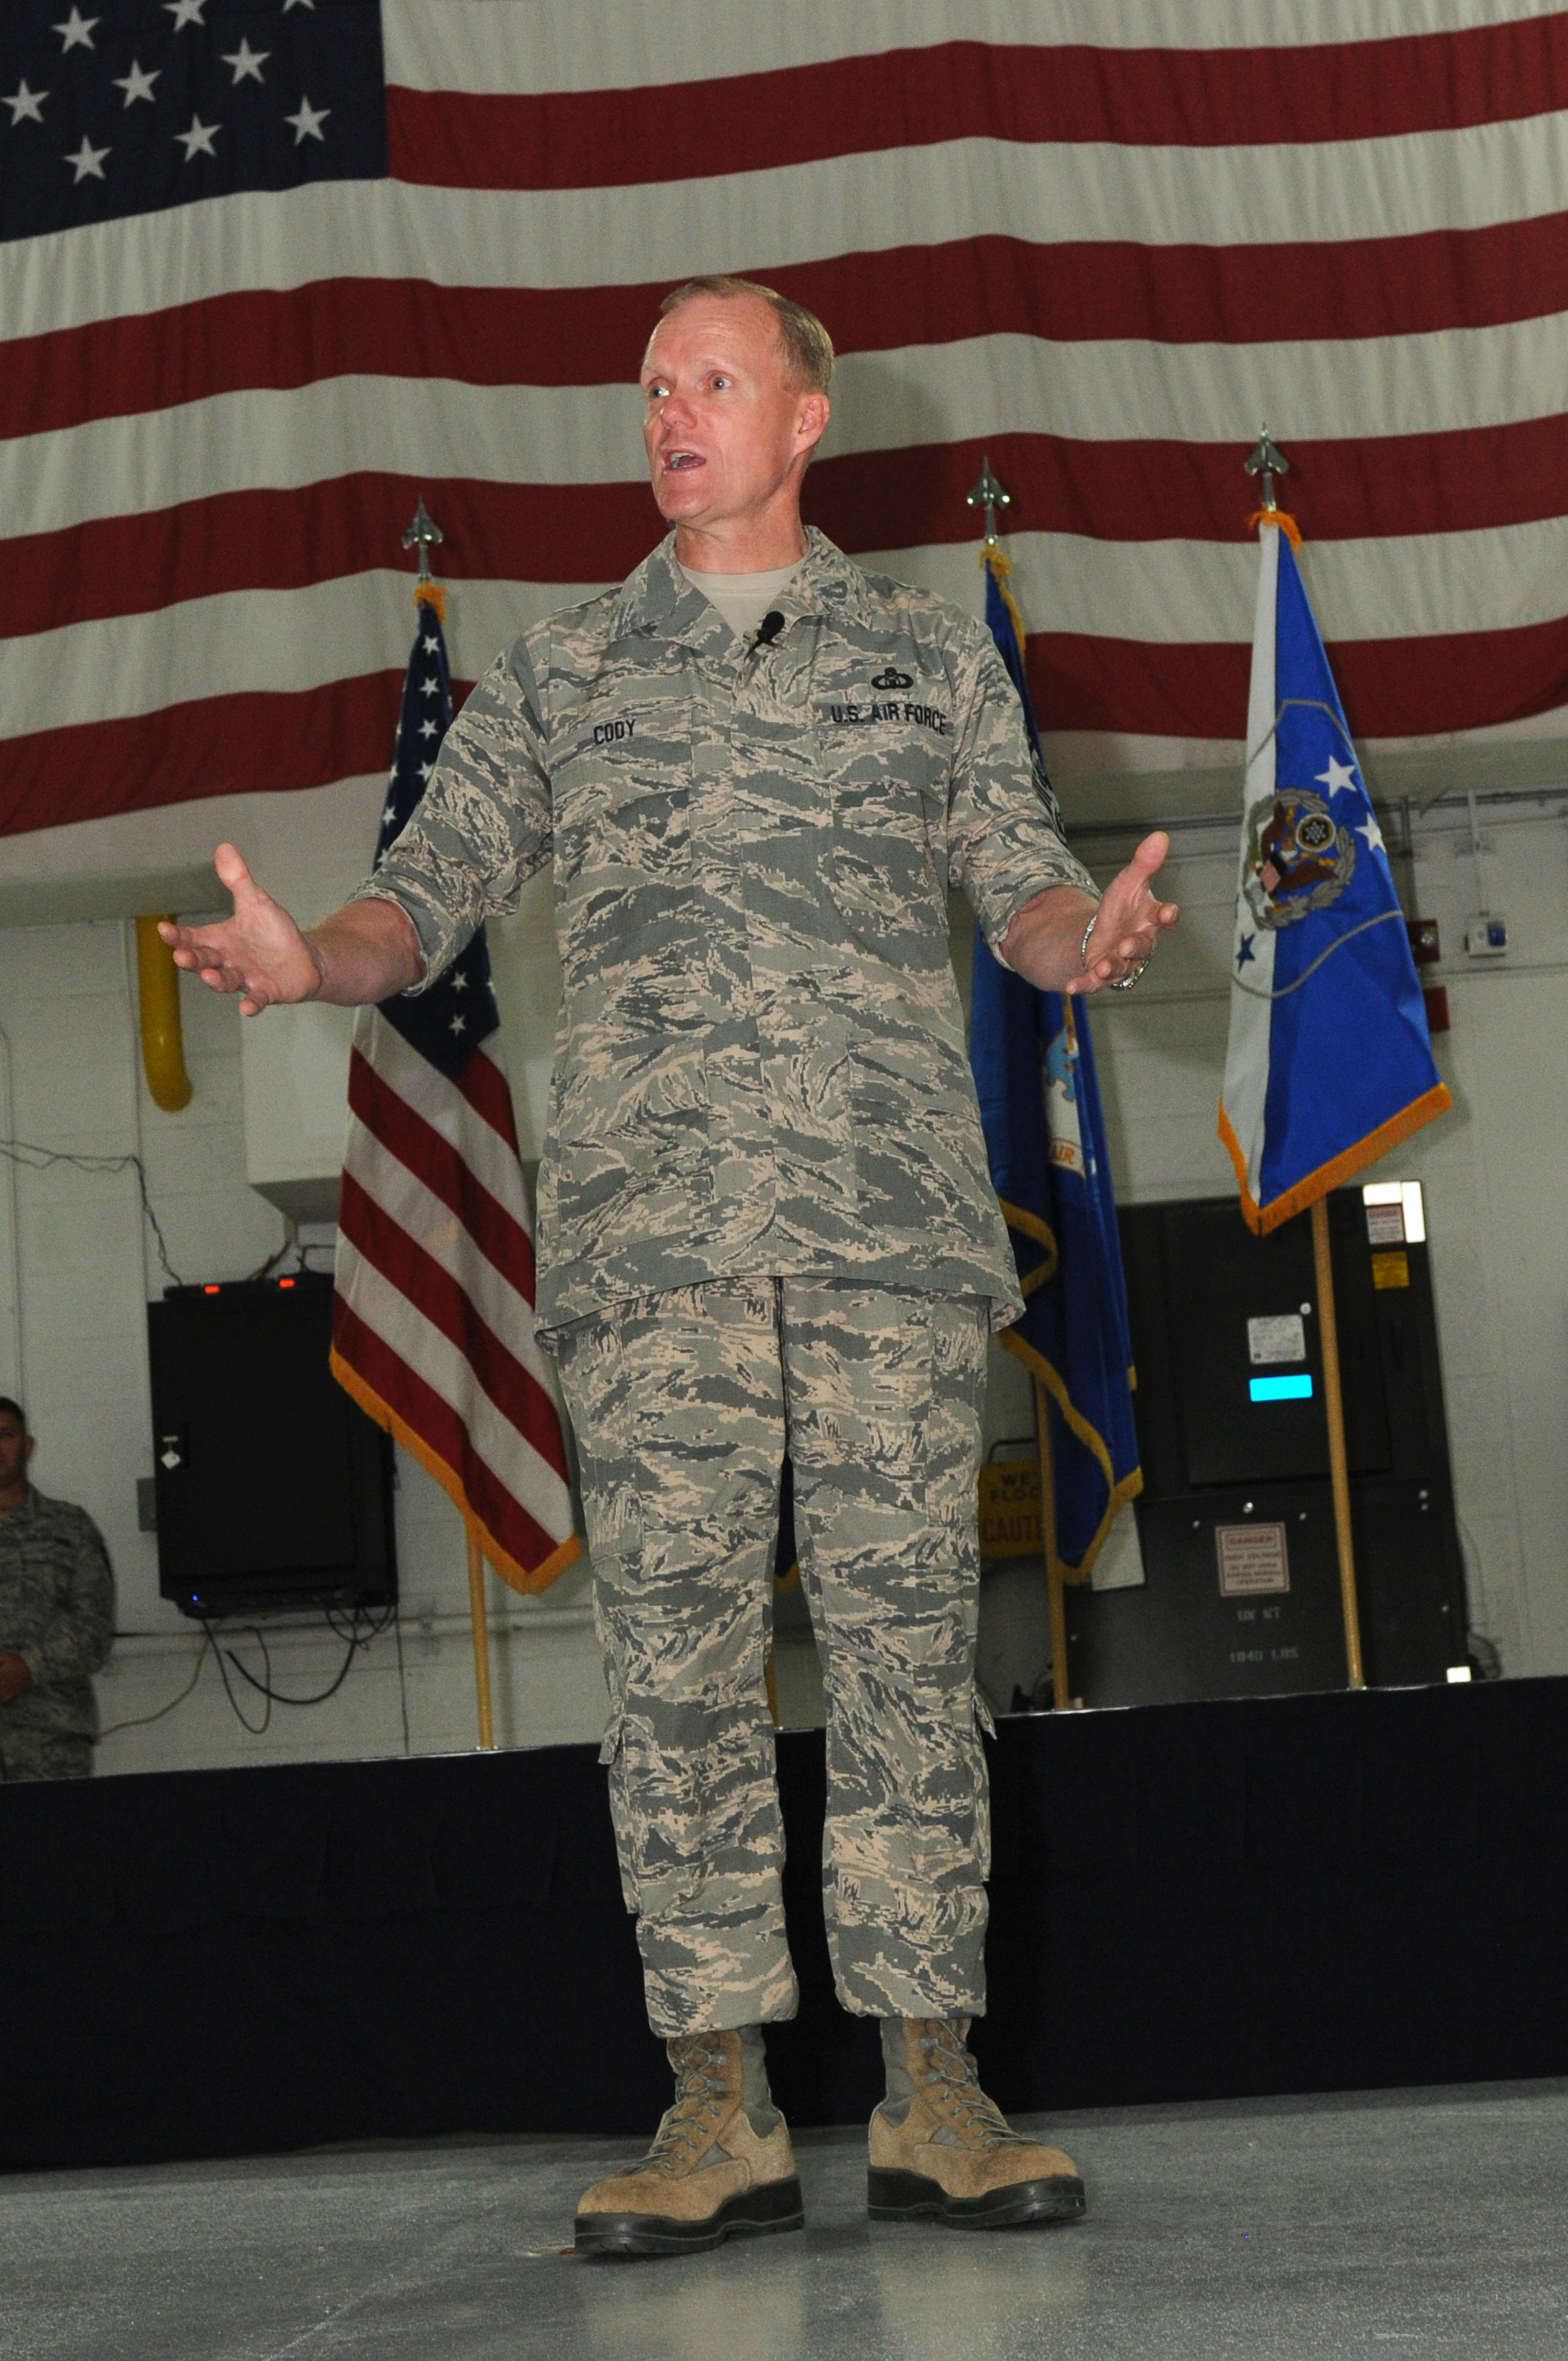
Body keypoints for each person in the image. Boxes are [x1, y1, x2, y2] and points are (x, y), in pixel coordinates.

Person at [161, 277, 1178, 2255]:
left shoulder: (927, 660)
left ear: (805, 416)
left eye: (709, 378)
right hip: (654, 1260)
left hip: (885, 1242)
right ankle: (715, 2099)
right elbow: (419, 899)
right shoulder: (559, 672)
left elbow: (1024, 890)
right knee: (676, 1676)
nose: (667, 411)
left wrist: (1092, 936)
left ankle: (934, 2086)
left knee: (906, 1662)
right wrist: (311, 962)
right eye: (648, 385)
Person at [0, 1398, 116, 1781]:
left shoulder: (70, 1527)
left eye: (5, 1435)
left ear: (27, 1446)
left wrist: (28, 1668)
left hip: (51, 1740)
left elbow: (94, 1631)